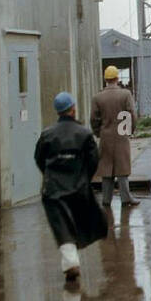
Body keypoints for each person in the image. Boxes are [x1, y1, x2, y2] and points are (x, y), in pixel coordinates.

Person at [34, 91, 108, 282]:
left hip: (53, 190)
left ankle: (70, 263)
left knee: (62, 227)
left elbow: (39, 159)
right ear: (73, 109)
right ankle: (71, 261)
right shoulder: (84, 134)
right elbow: (93, 160)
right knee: (80, 222)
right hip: (78, 187)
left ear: (58, 112)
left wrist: (51, 176)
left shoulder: (47, 134)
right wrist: (83, 178)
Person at [91, 66, 141, 209]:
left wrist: (98, 133)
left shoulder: (97, 97)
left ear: (105, 79)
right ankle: (126, 197)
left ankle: (106, 199)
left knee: (106, 168)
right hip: (122, 133)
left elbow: (94, 118)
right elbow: (132, 114)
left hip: (105, 136)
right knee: (123, 167)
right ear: (117, 78)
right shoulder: (125, 94)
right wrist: (130, 130)